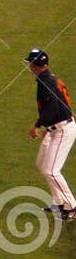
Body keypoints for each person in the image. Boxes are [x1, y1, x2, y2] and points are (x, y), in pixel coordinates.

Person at [25, 49, 75, 223]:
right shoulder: (46, 79)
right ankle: (60, 203)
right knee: (42, 164)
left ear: (35, 65)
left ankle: (71, 206)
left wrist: (37, 126)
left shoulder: (47, 82)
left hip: (62, 129)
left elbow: (52, 108)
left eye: (30, 63)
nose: (29, 66)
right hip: (55, 128)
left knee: (51, 170)